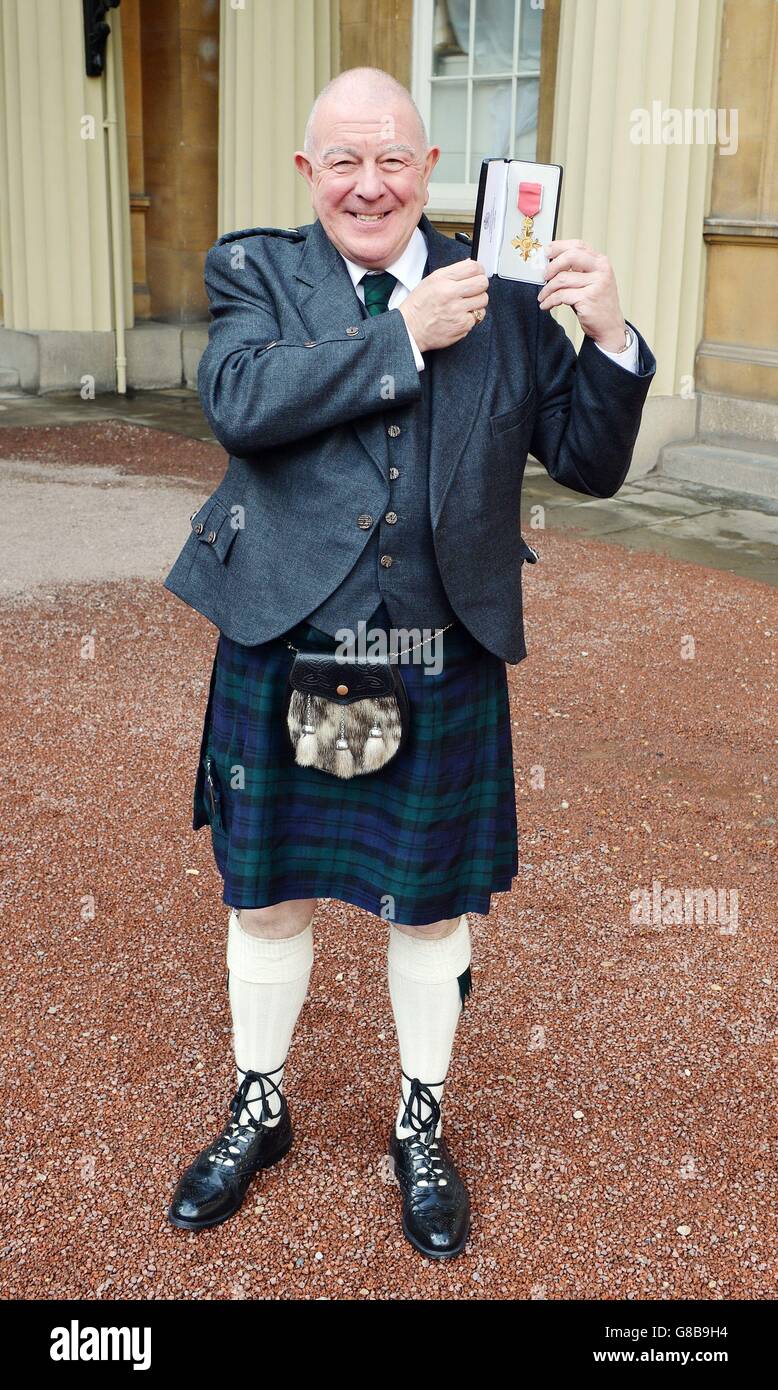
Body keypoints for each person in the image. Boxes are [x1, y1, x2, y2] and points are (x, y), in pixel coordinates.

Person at [163, 67, 655, 1259]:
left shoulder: (504, 287)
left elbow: (586, 464)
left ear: (429, 168)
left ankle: (418, 1119)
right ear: (307, 173)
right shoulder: (257, 271)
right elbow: (240, 398)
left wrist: (609, 335)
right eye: (344, 159)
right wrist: (401, 334)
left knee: (427, 908)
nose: (369, 183)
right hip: (286, 636)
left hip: (438, 647)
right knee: (266, 894)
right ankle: (261, 1105)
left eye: (393, 158)